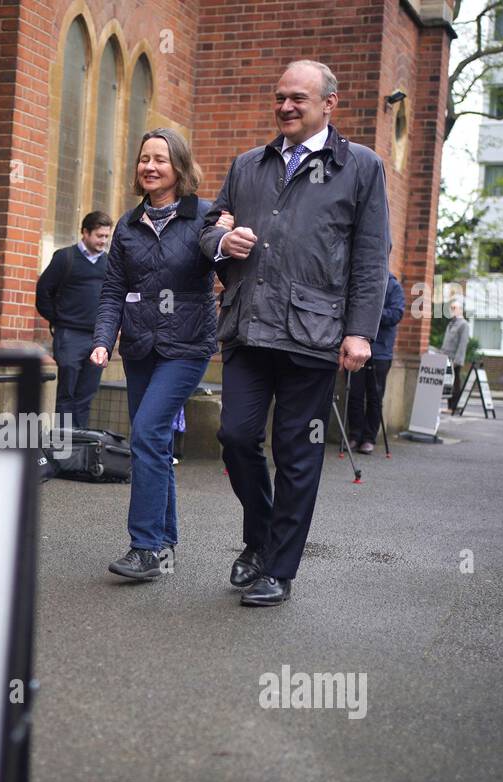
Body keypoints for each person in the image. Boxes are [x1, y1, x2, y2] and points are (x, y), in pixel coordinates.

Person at [199, 60, 390, 607]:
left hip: (314, 333)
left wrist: (360, 332)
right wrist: (220, 242)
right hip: (246, 326)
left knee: (296, 452)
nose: (285, 106)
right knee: (235, 437)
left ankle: (278, 569)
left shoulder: (360, 167)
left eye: (298, 99)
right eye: (280, 97)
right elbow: (210, 226)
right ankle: (259, 539)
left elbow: (372, 257)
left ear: (330, 103)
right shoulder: (247, 165)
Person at [89, 128, 217, 581]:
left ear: (179, 167)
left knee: (145, 432)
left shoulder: (205, 216)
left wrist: (230, 236)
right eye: (144, 159)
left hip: (187, 345)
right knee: (155, 444)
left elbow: (227, 263)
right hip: (141, 346)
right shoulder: (127, 224)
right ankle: (165, 545)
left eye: (160, 159)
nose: (150, 166)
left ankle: (143, 548)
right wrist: (104, 339)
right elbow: (112, 290)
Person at [36, 211, 113, 428]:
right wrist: (59, 319)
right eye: (99, 236)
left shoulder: (109, 263)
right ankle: (64, 446)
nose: (103, 241)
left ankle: (80, 449)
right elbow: (43, 292)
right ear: (85, 233)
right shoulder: (65, 258)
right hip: (69, 336)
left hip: (98, 339)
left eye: (106, 237)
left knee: (86, 395)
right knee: (67, 393)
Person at [347, 272, 404, 454]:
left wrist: (371, 311)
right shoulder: (362, 280)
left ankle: (369, 438)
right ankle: (354, 435)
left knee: (374, 396)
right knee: (354, 394)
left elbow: (396, 314)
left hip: (380, 351)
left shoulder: (393, 286)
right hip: (357, 348)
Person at [440, 296, 470, 410]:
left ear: (460, 310)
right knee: (449, 383)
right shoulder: (451, 324)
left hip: (454, 360)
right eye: (451, 308)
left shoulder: (463, 325)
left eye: (454, 308)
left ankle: (454, 407)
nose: (452, 310)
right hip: (446, 358)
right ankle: (450, 407)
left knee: (455, 383)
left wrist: (457, 361)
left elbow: (463, 344)